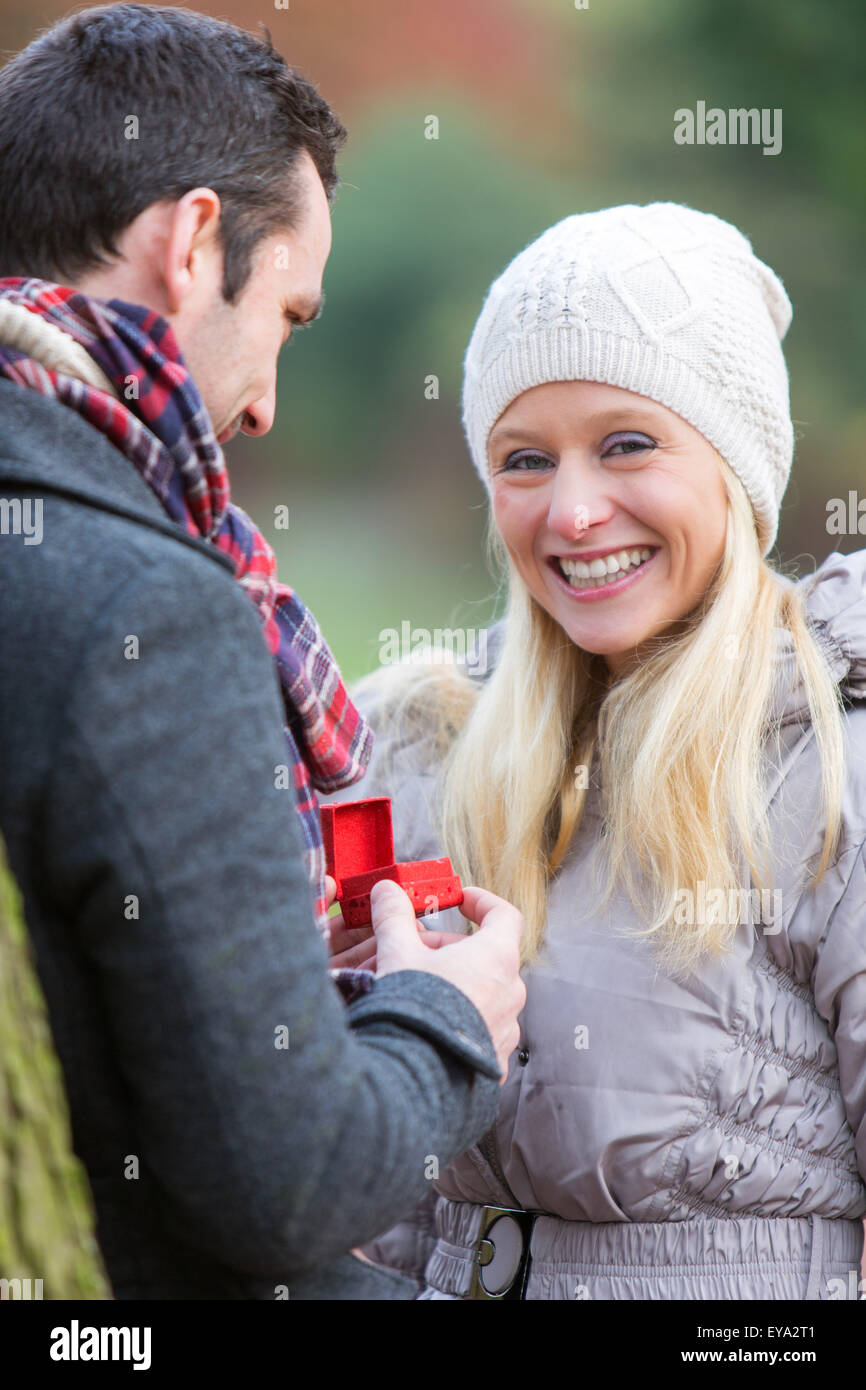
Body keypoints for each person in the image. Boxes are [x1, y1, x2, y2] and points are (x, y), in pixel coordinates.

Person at [0, 3, 526, 1300]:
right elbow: (286, 1184)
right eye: (288, 313)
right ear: (190, 244)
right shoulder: (149, 607)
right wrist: (445, 1019)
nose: (266, 402)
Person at [326, 202, 866, 1299]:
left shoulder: (835, 766)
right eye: (524, 459)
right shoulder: (417, 751)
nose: (571, 511)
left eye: (626, 443)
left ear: (733, 465)